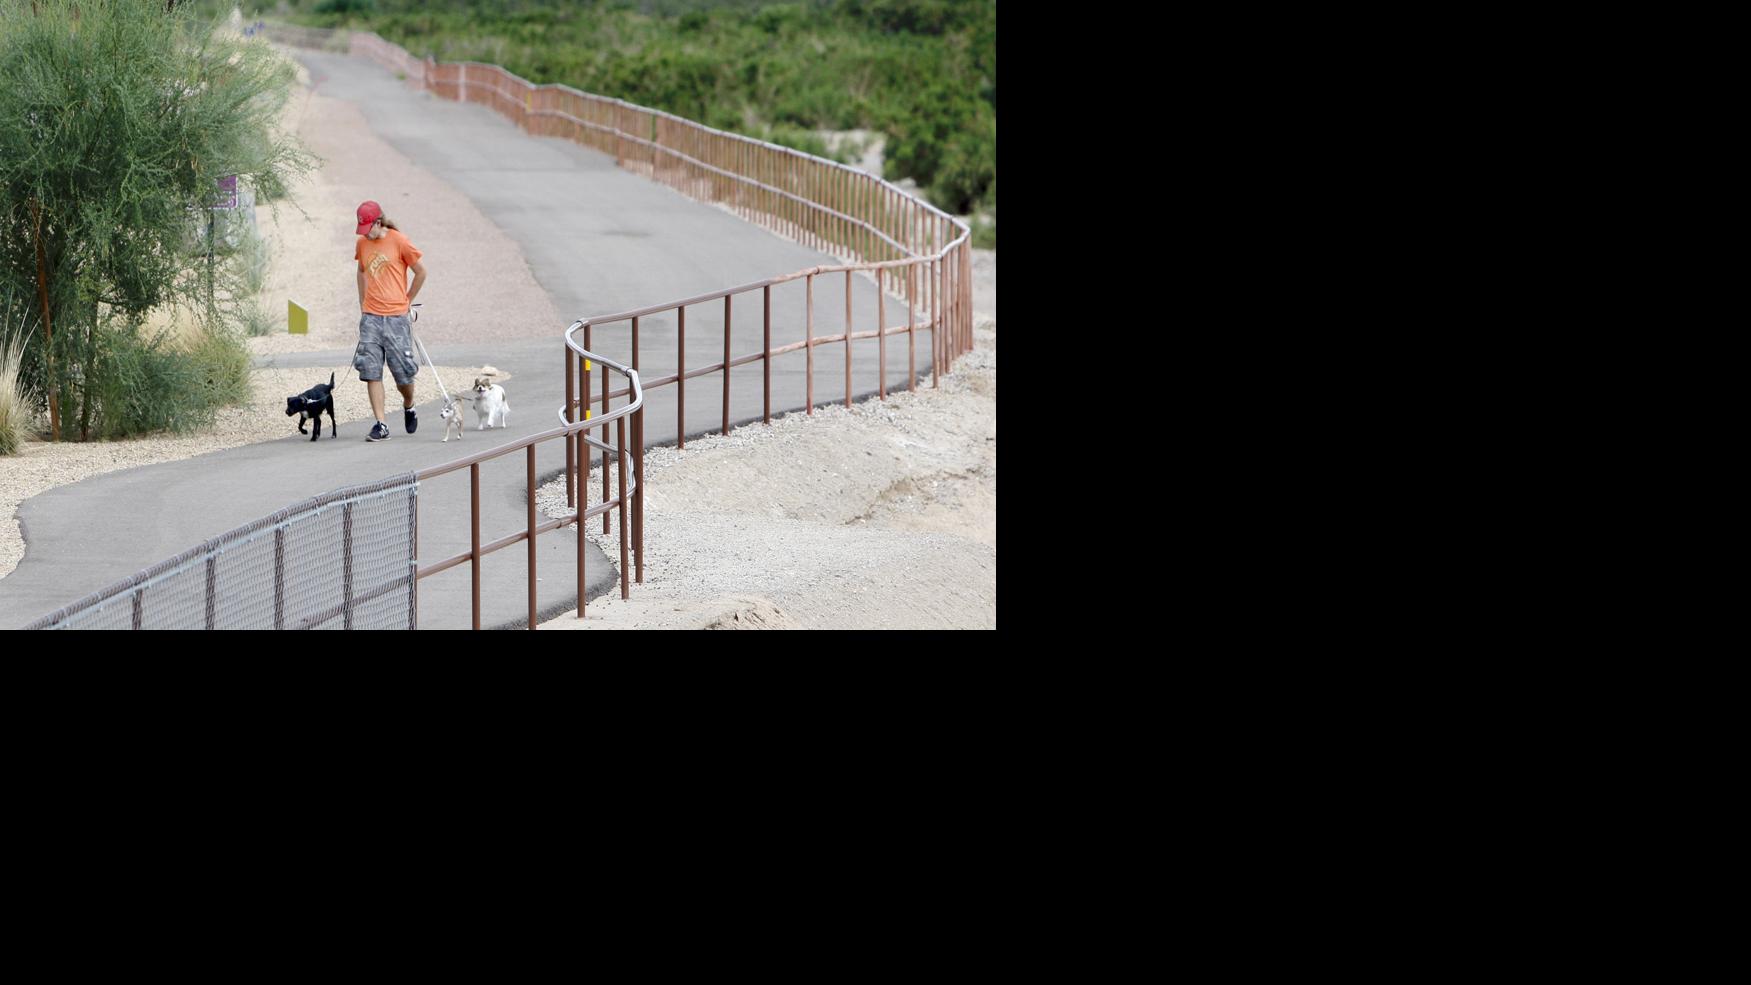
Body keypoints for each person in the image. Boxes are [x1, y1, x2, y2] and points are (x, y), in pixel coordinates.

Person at [352, 200, 427, 441]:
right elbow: (362, 271)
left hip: (396, 317)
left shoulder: (399, 240)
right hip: (371, 317)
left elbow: (421, 272)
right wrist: (363, 304)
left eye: (368, 228)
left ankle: (409, 403)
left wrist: (408, 300)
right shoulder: (362, 243)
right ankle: (381, 424)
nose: (366, 234)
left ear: (378, 222)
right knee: (371, 370)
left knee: (403, 374)